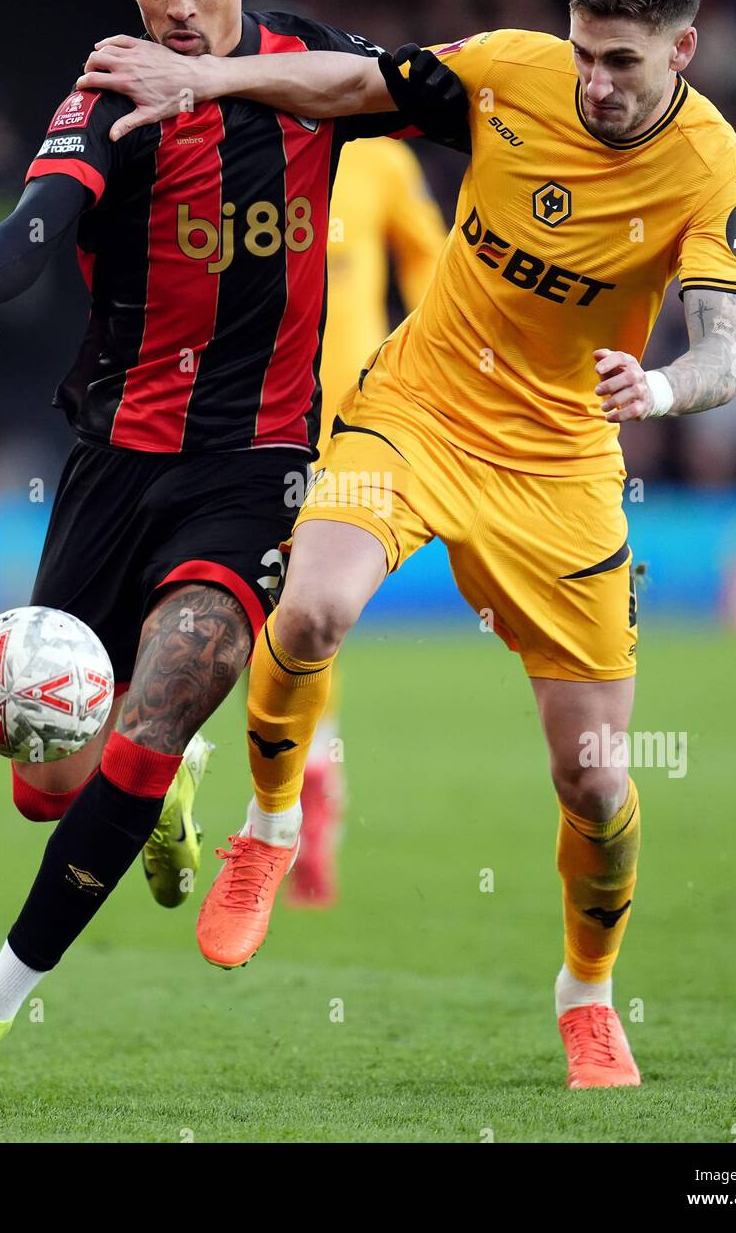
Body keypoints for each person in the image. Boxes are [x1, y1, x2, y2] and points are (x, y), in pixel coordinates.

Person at [90, 0, 736, 1088]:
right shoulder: (511, 71)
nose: (596, 82)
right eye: (585, 52)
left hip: (562, 467)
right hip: (420, 409)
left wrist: (658, 388)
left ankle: (588, 993)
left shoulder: (715, 170)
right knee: (310, 612)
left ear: (683, 51)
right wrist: (207, 75)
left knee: (596, 781)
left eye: (623, 62)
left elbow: (726, 351)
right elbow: (354, 81)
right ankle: (271, 824)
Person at [0, 0, 465, 1112]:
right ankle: (160, 796)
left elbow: (444, 93)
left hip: (255, 470)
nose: (179, 7)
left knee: (151, 724)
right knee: (45, 783)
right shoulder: (111, 90)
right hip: (113, 465)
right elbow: (42, 212)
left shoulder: (307, 66)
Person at [292, 136, 448, 906]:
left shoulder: (382, 160)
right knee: (262, 612)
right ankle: (309, 777)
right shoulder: (250, 142)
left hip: (354, 422)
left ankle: (307, 783)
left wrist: (438, 365)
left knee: (307, 611)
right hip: (250, 415)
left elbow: (436, 267)